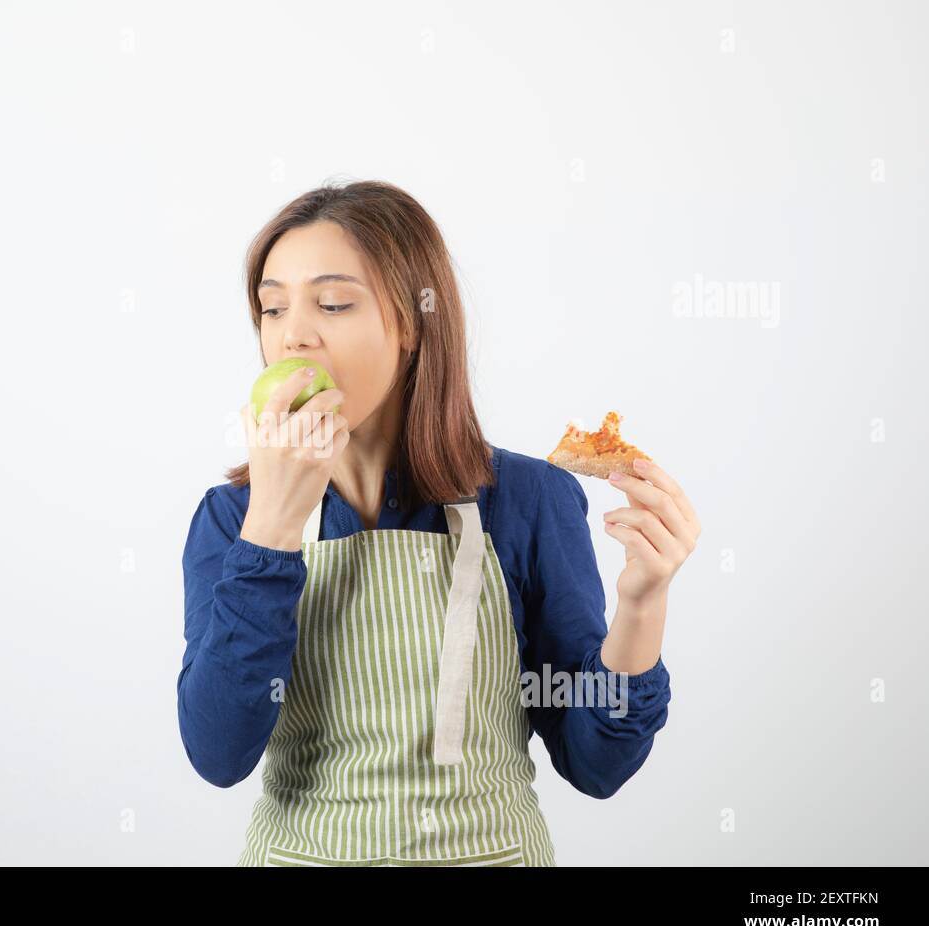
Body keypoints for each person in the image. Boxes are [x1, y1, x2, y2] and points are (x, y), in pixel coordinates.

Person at [178, 179, 701, 866]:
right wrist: (273, 528)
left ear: (414, 324)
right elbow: (219, 754)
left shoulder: (526, 500)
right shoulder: (232, 521)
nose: (293, 334)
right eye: (272, 309)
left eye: (332, 303)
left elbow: (596, 765)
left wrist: (643, 605)